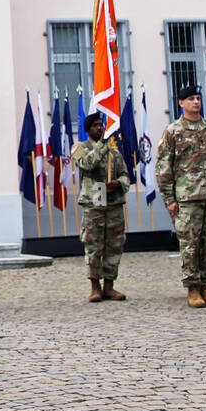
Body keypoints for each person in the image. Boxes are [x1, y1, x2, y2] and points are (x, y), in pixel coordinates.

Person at [156, 84, 206, 308]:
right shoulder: (173, 131)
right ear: (181, 103)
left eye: (198, 98)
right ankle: (193, 289)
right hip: (188, 197)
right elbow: (163, 168)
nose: (196, 102)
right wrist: (169, 201)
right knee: (190, 245)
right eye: (190, 99)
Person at [73, 112, 130, 302]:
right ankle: (95, 286)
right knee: (93, 246)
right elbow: (87, 164)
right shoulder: (79, 148)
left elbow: (126, 176)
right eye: (96, 125)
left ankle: (109, 286)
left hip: (113, 203)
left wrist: (119, 184)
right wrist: (100, 146)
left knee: (114, 246)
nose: (100, 128)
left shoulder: (114, 153)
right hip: (94, 203)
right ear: (88, 129)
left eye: (101, 125)